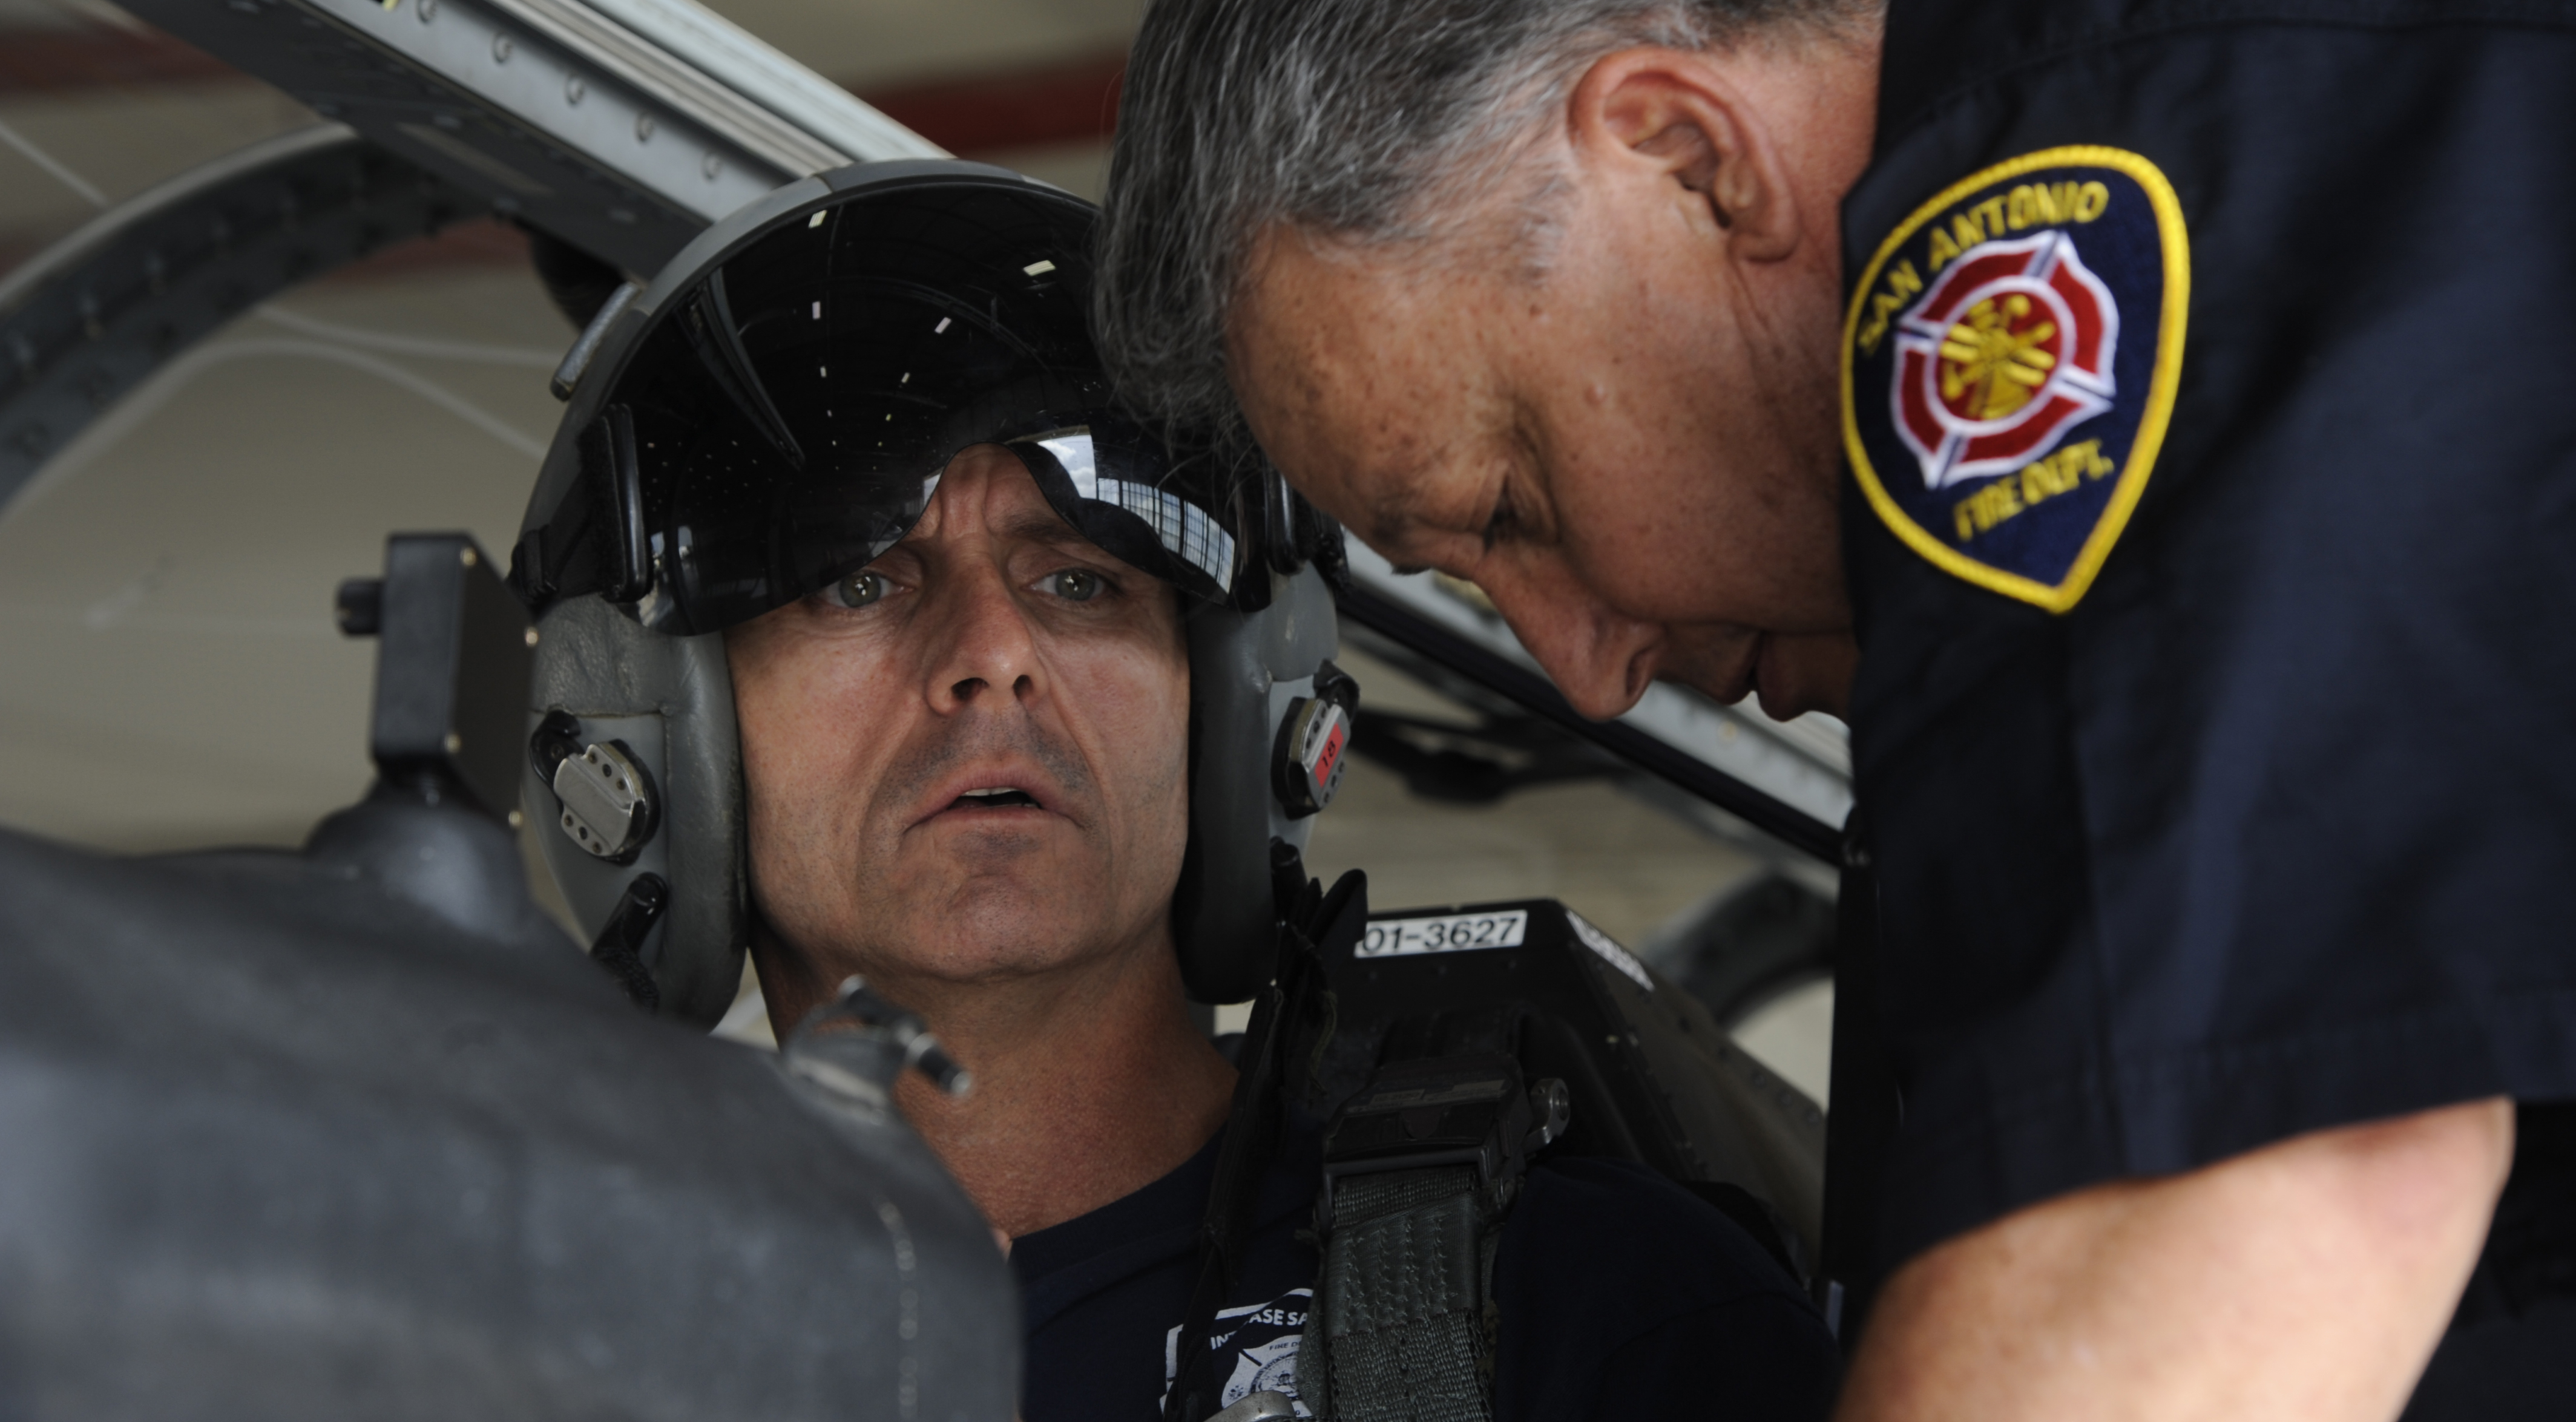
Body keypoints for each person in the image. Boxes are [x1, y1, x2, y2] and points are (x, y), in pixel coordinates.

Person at [1088, 0, 2576, 1421]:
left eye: (1508, 507)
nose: (1583, 669)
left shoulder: (2062, 229)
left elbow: (2243, 1197)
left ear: (1685, 156)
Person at [508, 162, 1841, 1421]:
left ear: (1239, 703)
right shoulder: (521, 1357)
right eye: (857, 582)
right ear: (661, 739)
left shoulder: (1587, 1313)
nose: (991, 661)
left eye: (1081, 582)